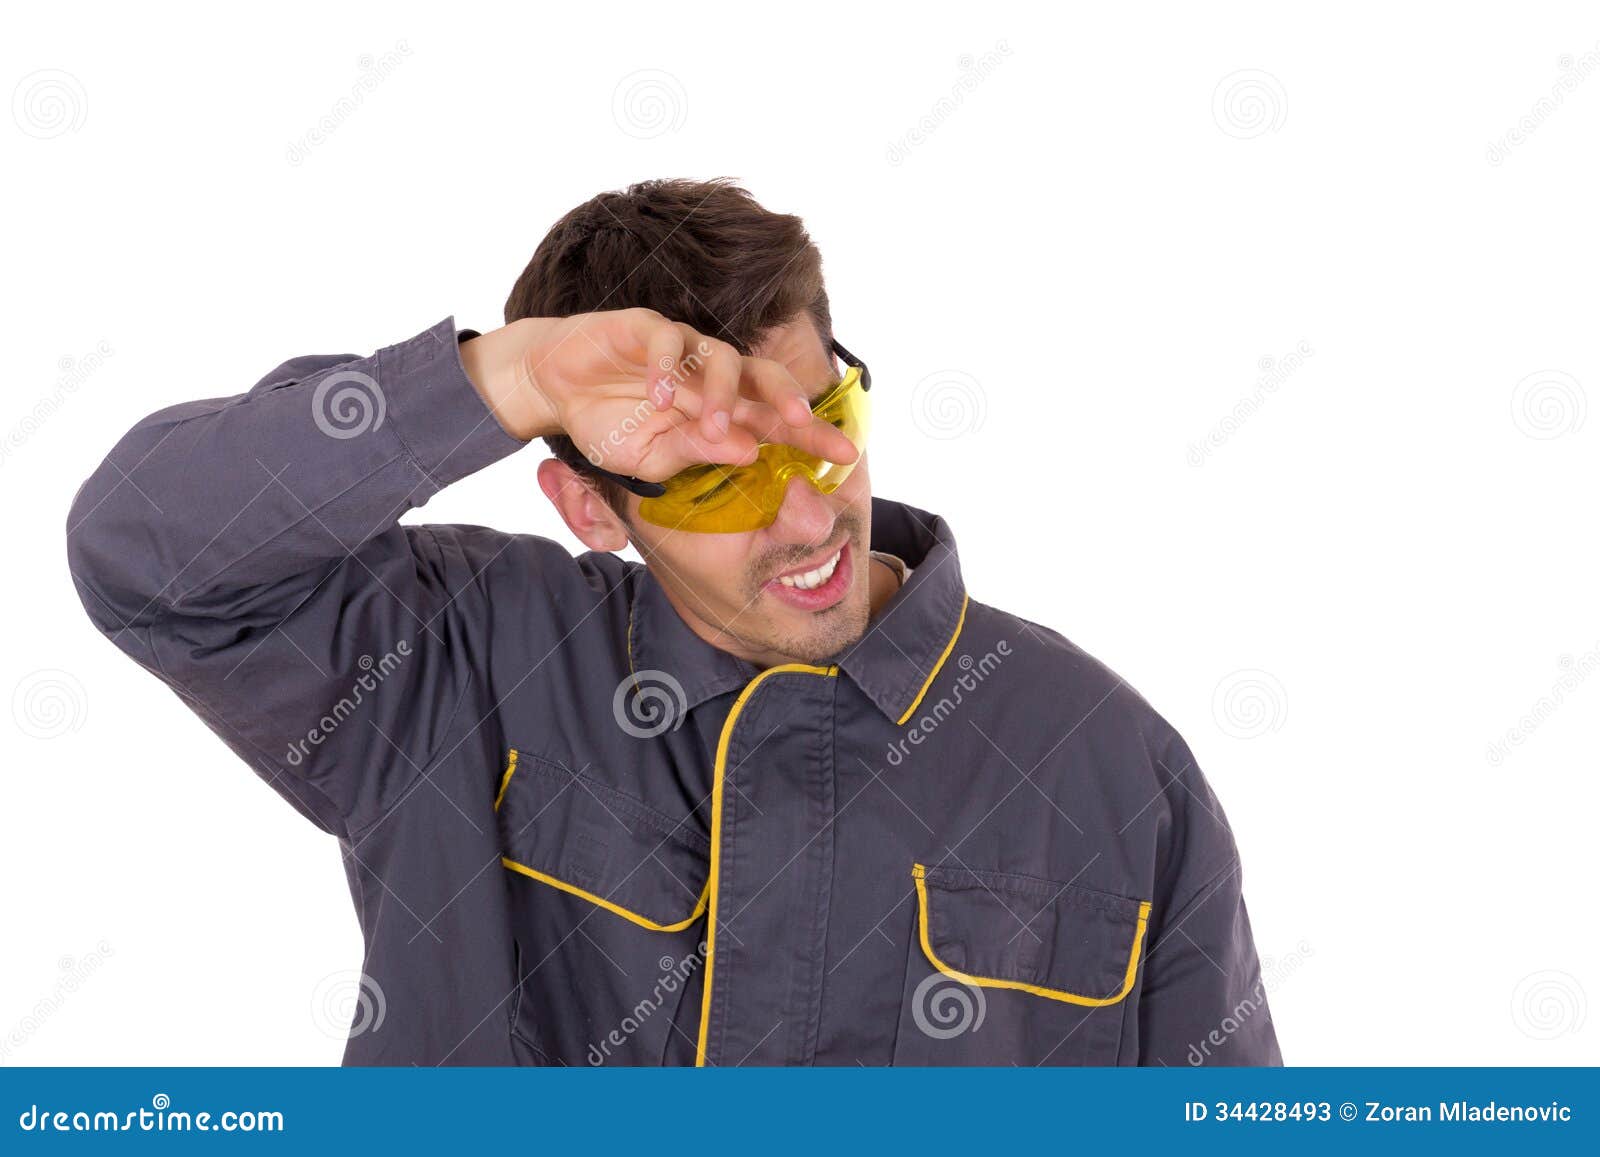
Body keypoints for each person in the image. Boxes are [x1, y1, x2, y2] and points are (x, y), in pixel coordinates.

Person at [67, 178, 1280, 1066]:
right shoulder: (458, 660)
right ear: (591, 507)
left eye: (823, 424)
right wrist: (501, 380)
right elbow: (149, 556)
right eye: (717, 482)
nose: (809, 516)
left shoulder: (1110, 767)